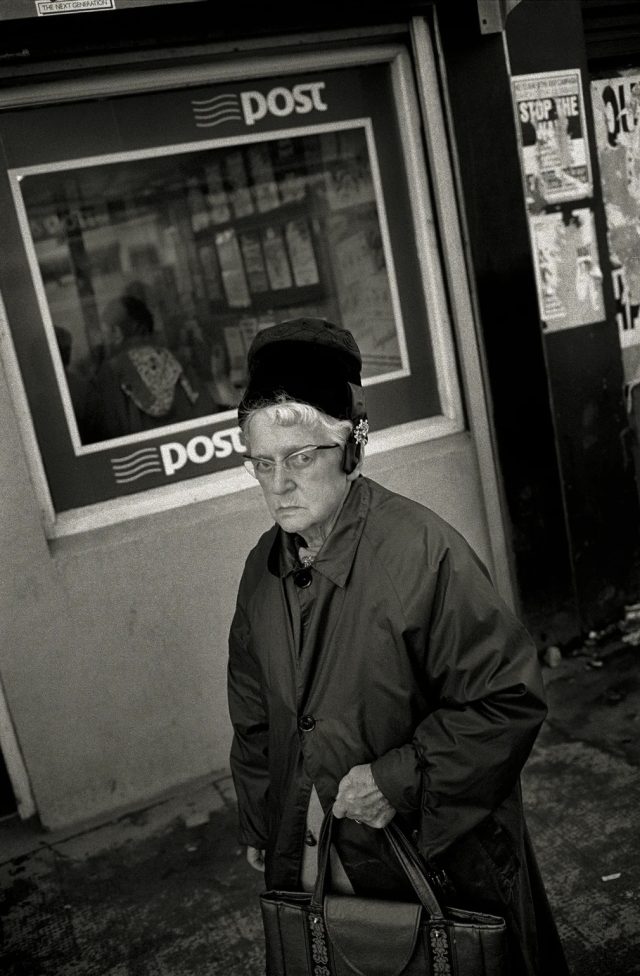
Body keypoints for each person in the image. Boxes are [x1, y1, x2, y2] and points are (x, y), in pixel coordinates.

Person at [227, 317, 568, 974]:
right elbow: (254, 720)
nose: (279, 484)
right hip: (316, 857)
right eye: (262, 463)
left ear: (350, 448)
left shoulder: (423, 554)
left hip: (435, 863)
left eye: (300, 458)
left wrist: (396, 779)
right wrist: (261, 819)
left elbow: (508, 699)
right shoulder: (260, 572)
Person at [82, 295, 216, 443]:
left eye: (106, 333)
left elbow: (111, 429)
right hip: (189, 446)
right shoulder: (176, 359)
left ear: (117, 333)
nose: (104, 341)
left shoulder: (110, 372)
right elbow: (206, 408)